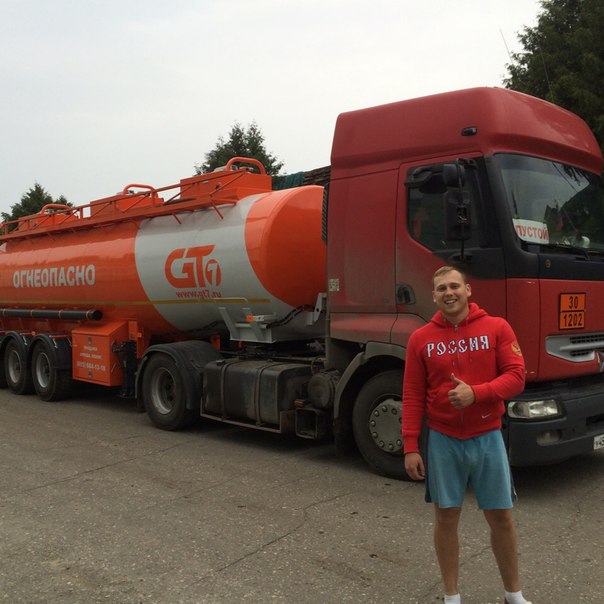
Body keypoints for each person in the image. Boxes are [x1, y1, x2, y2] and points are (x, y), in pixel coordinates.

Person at [402, 266, 531, 604]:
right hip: (443, 439)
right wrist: (410, 445)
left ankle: (513, 594)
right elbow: (412, 394)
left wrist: (477, 393)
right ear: (434, 296)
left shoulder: (497, 327)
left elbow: (517, 376)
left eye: (454, 286)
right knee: (446, 517)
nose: (449, 293)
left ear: (468, 290)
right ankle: (451, 595)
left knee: (501, 517)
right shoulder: (420, 339)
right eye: (442, 288)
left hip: (487, 436)